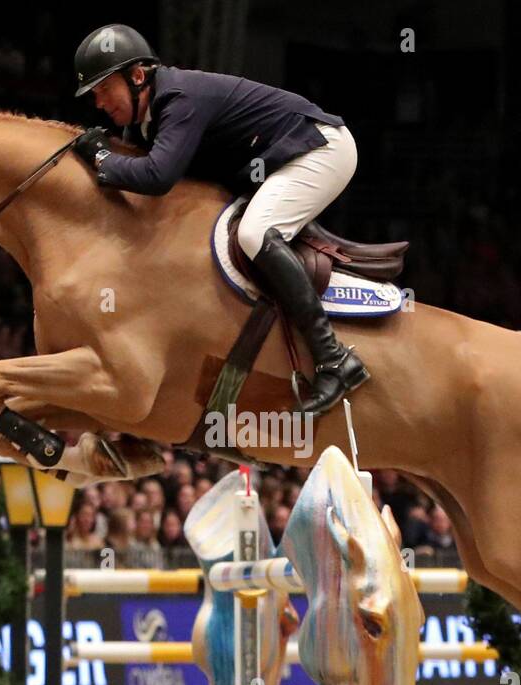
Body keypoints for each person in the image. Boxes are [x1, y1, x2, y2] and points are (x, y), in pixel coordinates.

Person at [71, 24, 368, 416]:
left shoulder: (179, 99)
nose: (98, 103)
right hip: (277, 161)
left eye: (103, 89)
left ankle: (334, 359)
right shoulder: (146, 122)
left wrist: (101, 158)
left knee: (255, 234)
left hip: (320, 149)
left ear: (137, 76)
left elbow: (157, 177)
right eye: (93, 94)